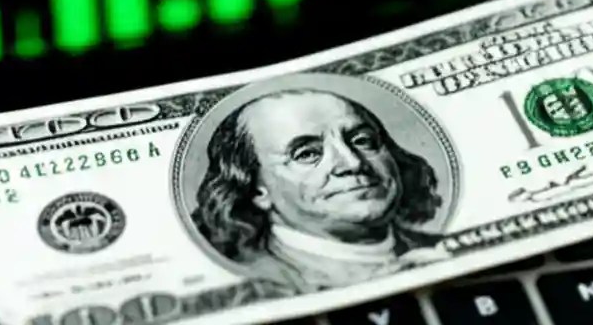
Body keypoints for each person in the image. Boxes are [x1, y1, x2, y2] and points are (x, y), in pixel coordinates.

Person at [191, 87, 446, 291]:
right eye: (307, 154)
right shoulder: (261, 278)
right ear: (257, 190)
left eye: (362, 140)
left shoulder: (438, 249)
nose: (353, 163)